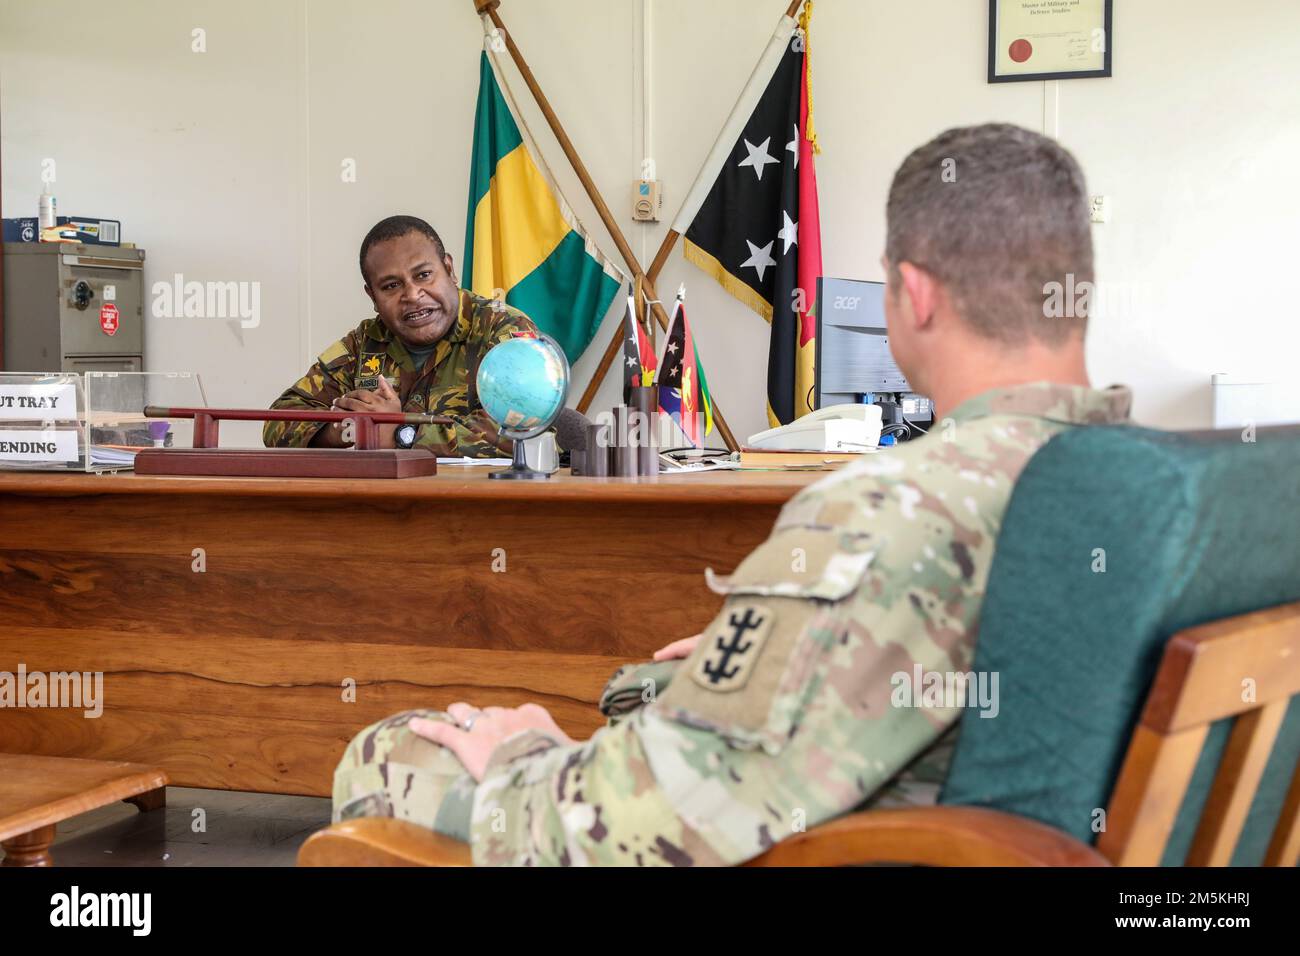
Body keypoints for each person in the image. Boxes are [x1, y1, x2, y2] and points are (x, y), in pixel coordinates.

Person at [333, 123, 1132, 865]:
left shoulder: (887, 512)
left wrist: (524, 752)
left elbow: (643, 818)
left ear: (913, 296)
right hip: (958, 806)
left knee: (387, 751)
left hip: (848, 836)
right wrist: (774, 655)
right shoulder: (1149, 478)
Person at [263, 215, 538, 456]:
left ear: (450, 270)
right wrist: (346, 430)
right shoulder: (364, 344)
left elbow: (520, 427)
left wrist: (398, 434)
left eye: (424, 275)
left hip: (480, 506)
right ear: (372, 296)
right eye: (391, 286)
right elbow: (278, 421)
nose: (412, 295)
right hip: (385, 505)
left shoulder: (501, 330)